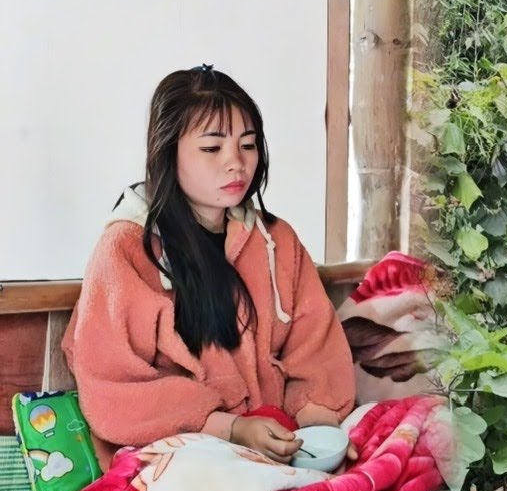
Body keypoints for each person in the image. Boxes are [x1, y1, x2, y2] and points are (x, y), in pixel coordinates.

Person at [64, 65, 356, 470]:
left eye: (248, 145)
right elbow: (111, 388)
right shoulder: (126, 249)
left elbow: (315, 343)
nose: (236, 163)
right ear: (168, 151)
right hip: (182, 453)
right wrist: (229, 429)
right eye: (212, 148)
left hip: (282, 439)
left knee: (403, 437)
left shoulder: (277, 240)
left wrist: (317, 432)